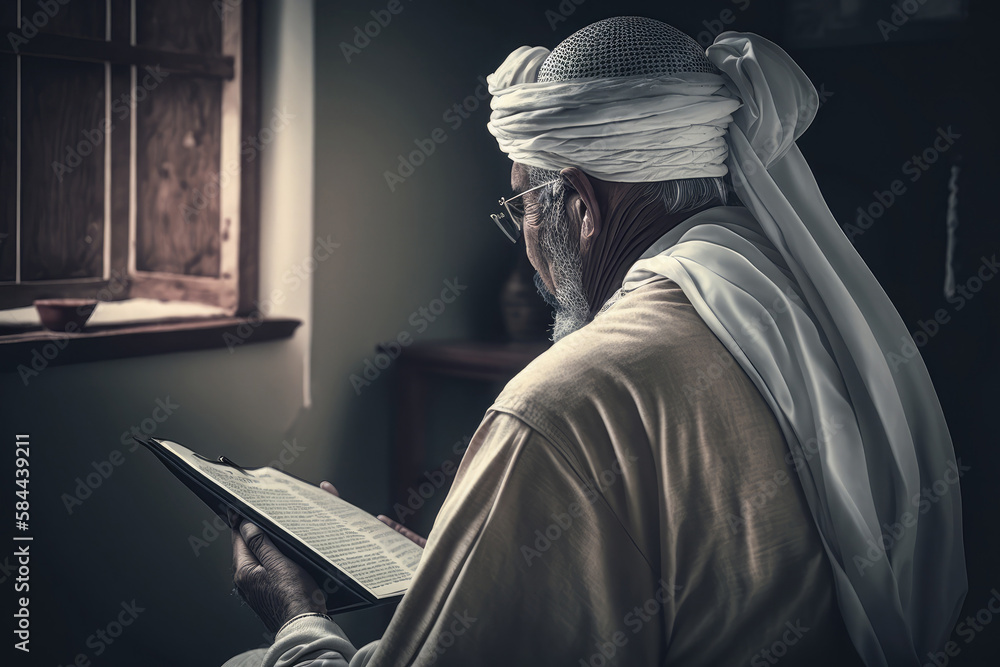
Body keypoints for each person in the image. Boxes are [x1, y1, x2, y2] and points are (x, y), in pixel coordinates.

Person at [223, 17, 966, 666]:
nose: (525, 243)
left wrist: (299, 618)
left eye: (522, 204)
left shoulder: (562, 403)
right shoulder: (805, 316)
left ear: (579, 205)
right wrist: (470, 575)